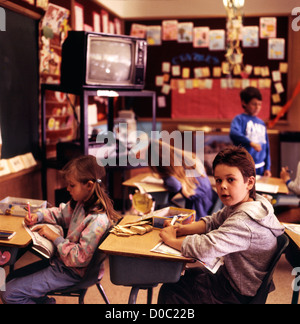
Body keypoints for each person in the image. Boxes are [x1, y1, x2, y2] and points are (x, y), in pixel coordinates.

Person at [158, 146, 284, 304]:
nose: (222, 186)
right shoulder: (251, 202)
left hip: (236, 293)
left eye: (230, 180)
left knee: (171, 290)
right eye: (218, 180)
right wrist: (182, 229)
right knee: (182, 277)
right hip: (233, 279)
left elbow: (207, 248)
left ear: (249, 182)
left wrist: (171, 240)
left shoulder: (245, 221)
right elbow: (214, 221)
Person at [1, 155, 121, 304]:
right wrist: (38, 216)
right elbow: (59, 214)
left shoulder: (97, 221)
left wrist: (54, 238)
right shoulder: (81, 203)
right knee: (9, 281)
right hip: (63, 264)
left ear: (89, 185)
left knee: (9, 293)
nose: (67, 188)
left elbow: (80, 258)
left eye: (72, 185)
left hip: (73, 272)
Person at [148, 140, 218, 221]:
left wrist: (165, 178)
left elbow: (175, 186)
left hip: (199, 208)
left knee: (163, 205)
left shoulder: (170, 174)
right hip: (211, 197)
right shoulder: (185, 157)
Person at [230, 87, 272, 177]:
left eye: (260, 104)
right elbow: (234, 133)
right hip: (244, 167)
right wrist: (250, 143)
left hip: (260, 167)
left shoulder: (261, 123)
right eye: (254, 104)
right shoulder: (239, 119)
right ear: (244, 103)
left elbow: (266, 147)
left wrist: (267, 167)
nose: (257, 107)